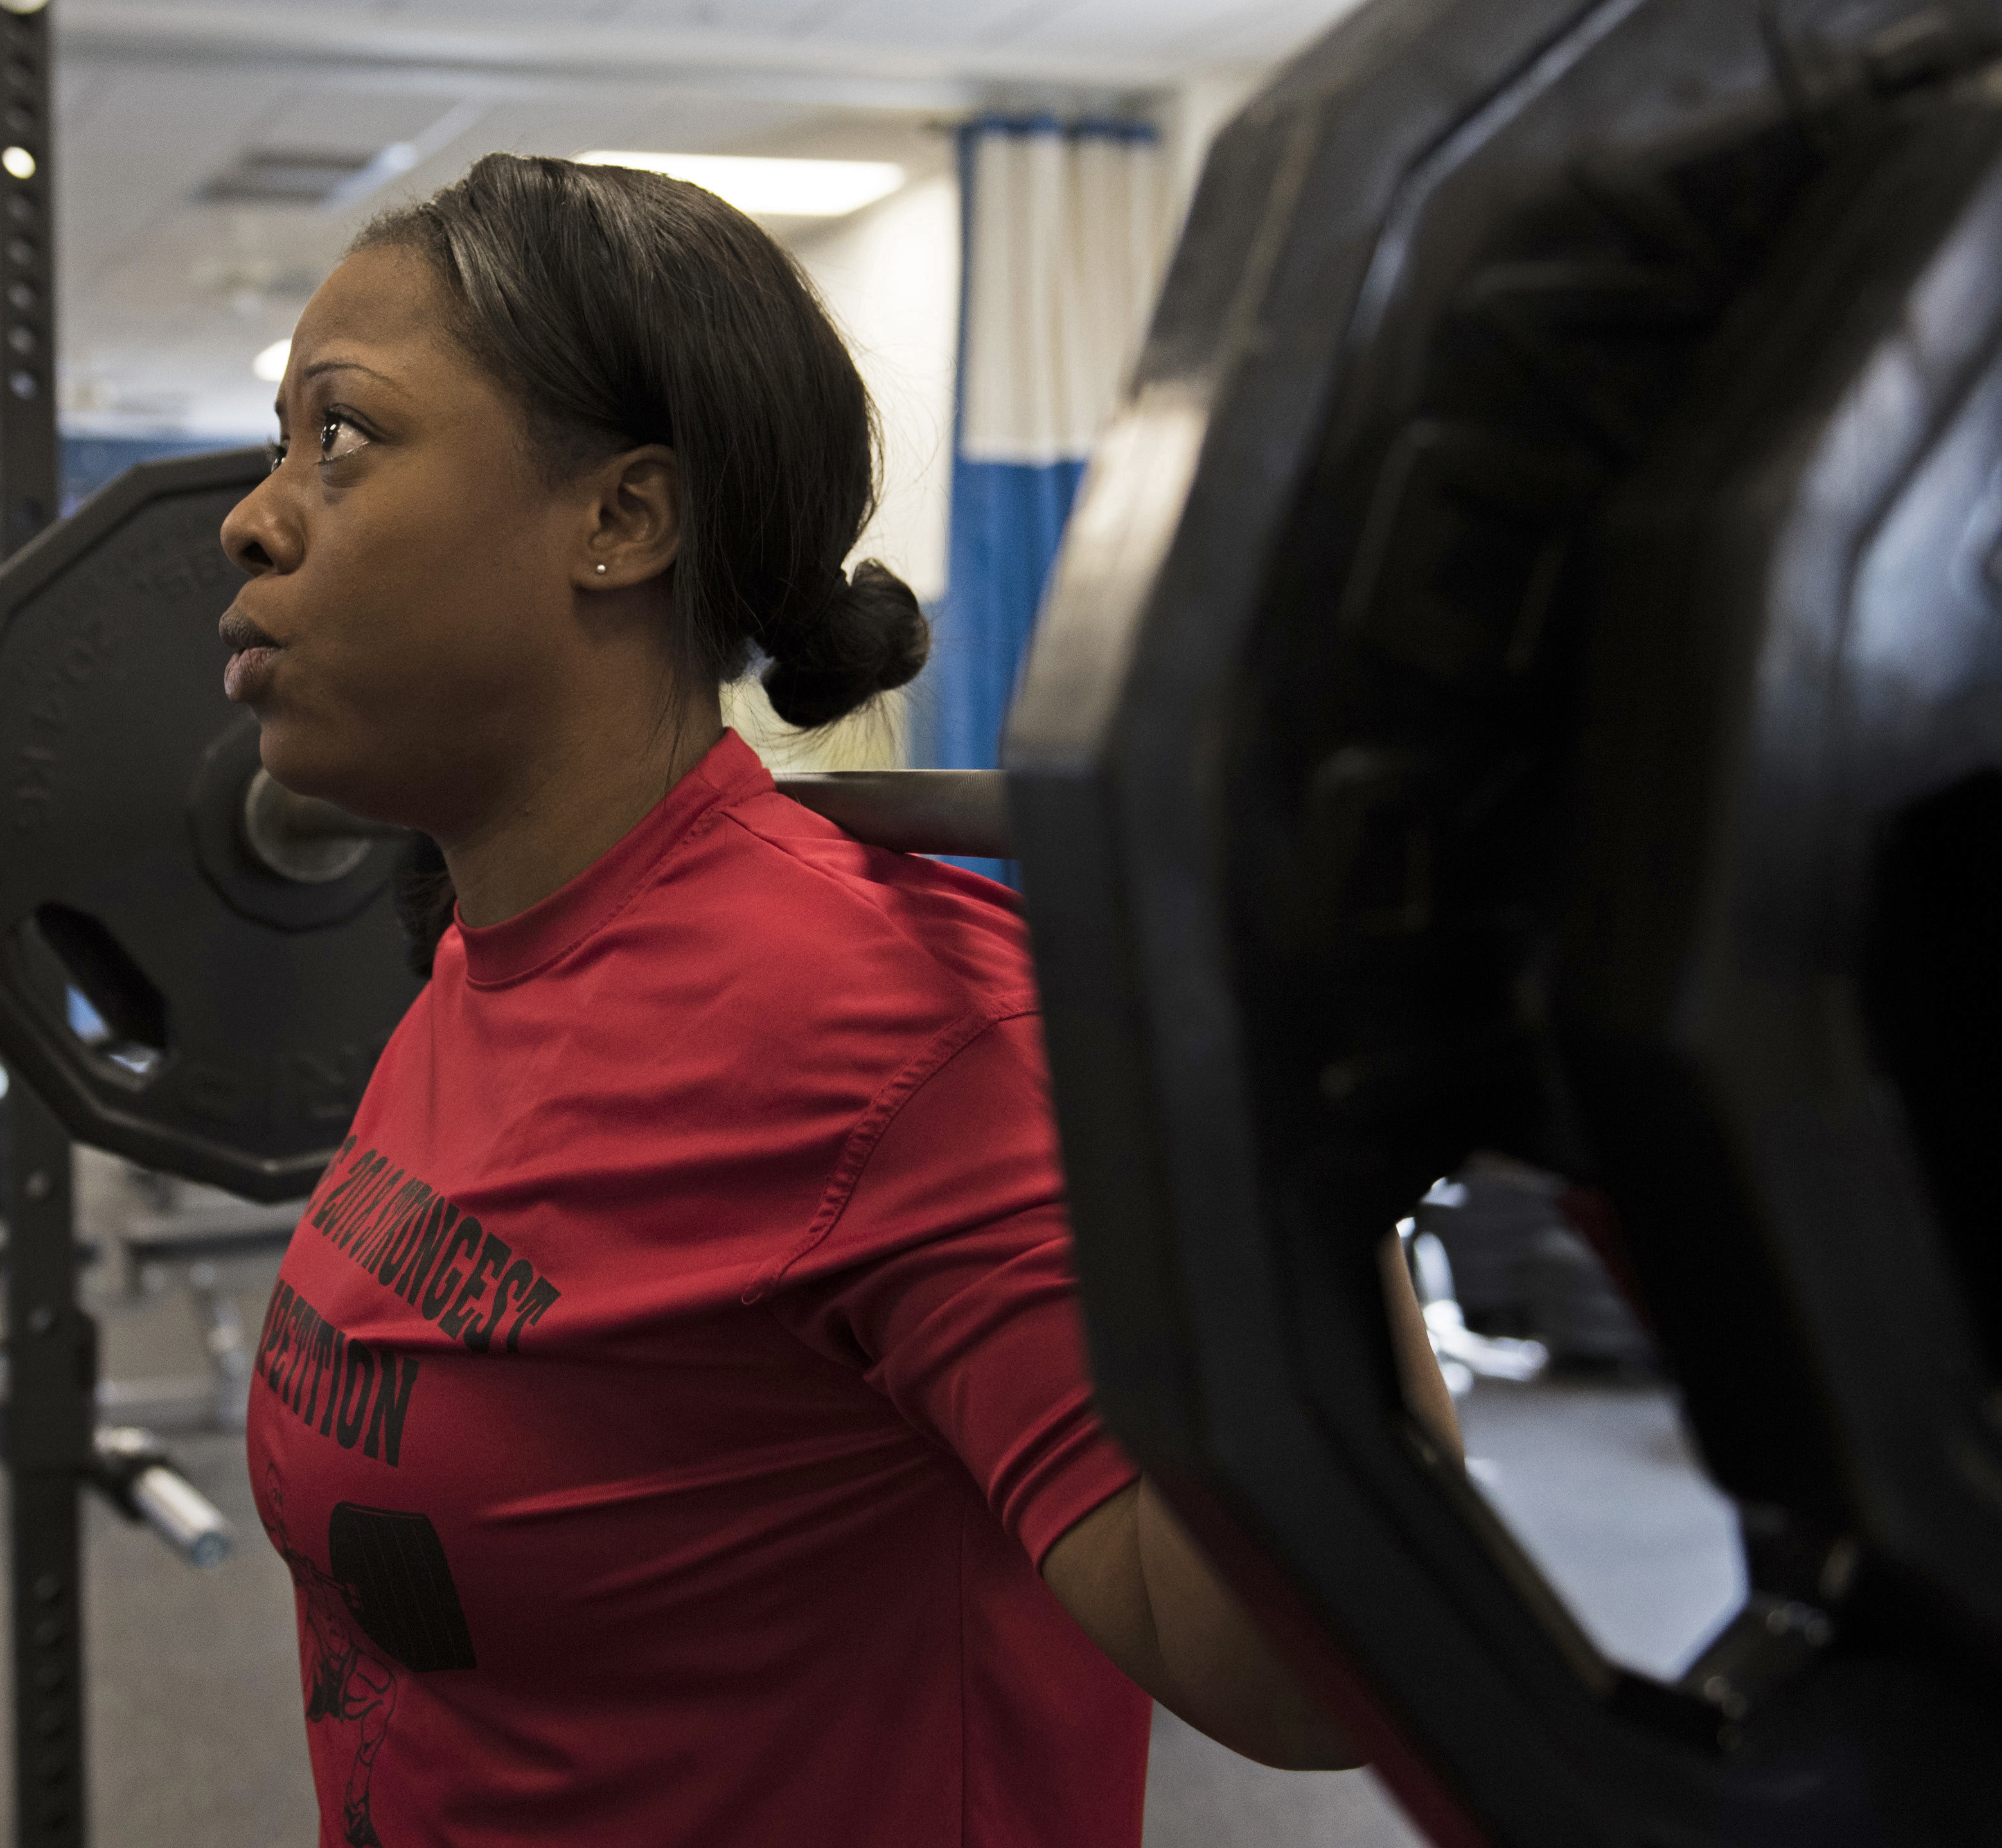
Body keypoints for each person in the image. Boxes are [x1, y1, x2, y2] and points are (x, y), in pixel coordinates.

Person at [219, 151, 1459, 1847]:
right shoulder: (482, 949)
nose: (252, 510)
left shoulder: (893, 1024)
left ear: (621, 519)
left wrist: (1268, 1061)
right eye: (278, 440)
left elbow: (1327, 1671)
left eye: (341, 436)